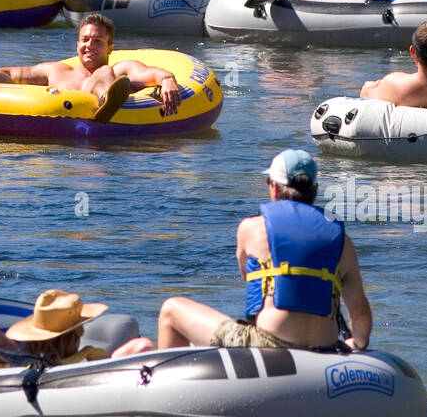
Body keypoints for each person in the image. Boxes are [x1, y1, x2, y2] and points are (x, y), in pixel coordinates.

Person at [156, 149, 373, 353]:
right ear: (314, 191)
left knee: (171, 309)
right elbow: (360, 316)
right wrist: (357, 343)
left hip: (267, 341)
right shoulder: (344, 243)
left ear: (275, 188)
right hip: (324, 344)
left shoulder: (251, 229)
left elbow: (247, 276)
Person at [0, 12, 182, 122]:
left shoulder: (121, 67)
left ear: (110, 47)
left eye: (98, 41)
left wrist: (167, 79)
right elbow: (9, 74)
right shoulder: (57, 71)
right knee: (4, 74)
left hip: (103, 122)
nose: (89, 45)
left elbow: (150, 74)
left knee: (105, 74)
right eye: (84, 39)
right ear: (76, 45)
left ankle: (104, 101)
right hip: (56, 128)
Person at [6, 289, 152, 365]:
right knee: (142, 344)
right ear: (78, 332)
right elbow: (143, 346)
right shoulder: (89, 355)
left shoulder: (25, 364)